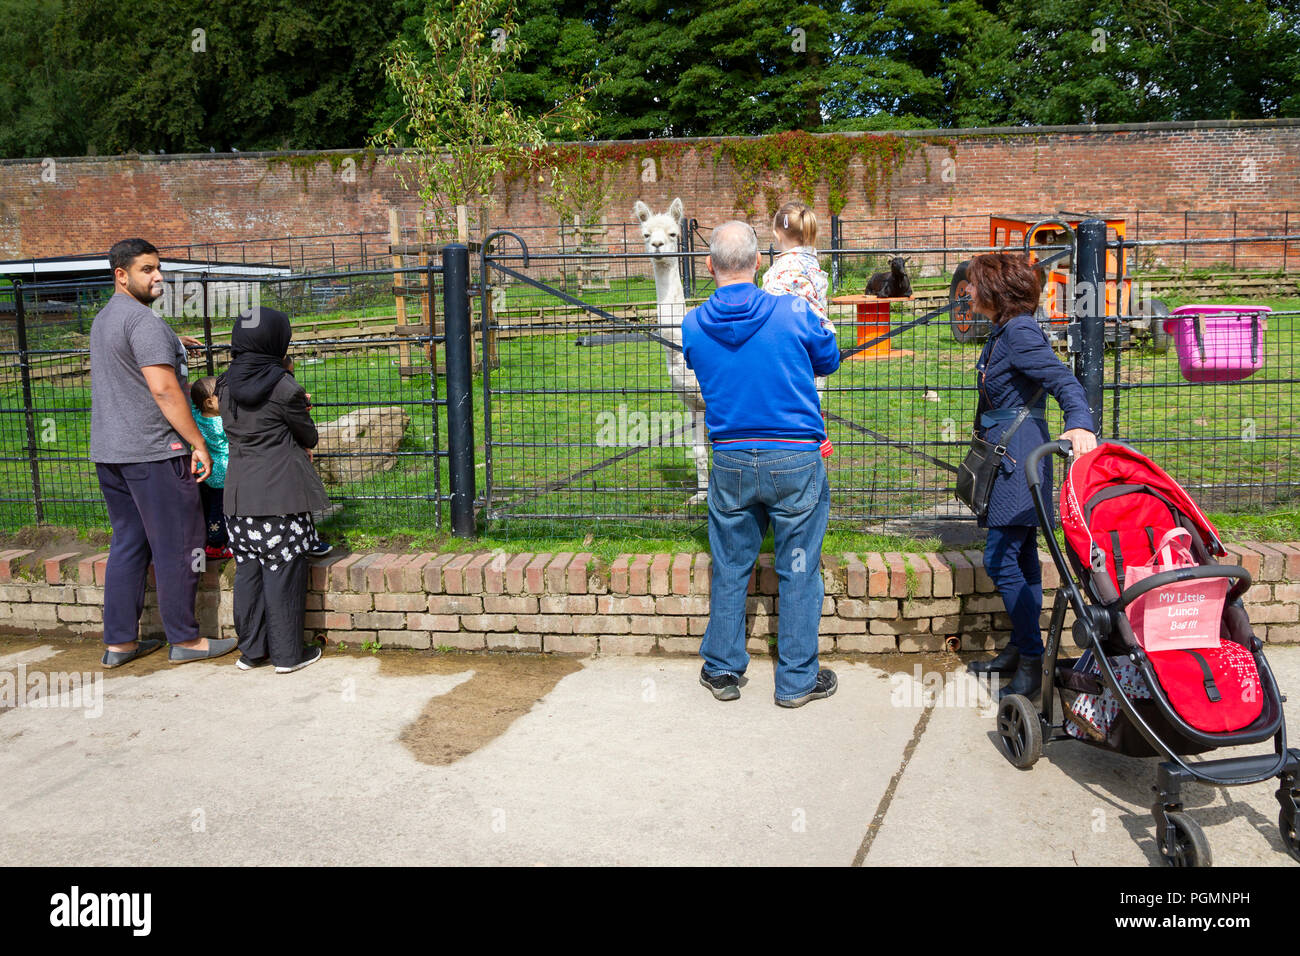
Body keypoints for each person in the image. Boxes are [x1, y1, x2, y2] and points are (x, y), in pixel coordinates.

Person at [682, 220, 841, 707]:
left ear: (708, 266)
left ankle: (723, 669)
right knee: (799, 566)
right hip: (793, 457)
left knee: (730, 564)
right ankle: (795, 680)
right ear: (758, 263)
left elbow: (701, 362)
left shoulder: (692, 323)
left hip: (730, 457)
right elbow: (829, 358)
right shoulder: (792, 310)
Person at [90, 238, 237, 666]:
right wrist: (198, 442)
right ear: (122, 275)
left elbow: (133, 357)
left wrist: (172, 341)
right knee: (179, 545)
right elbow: (164, 389)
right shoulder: (145, 323)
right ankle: (186, 640)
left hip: (110, 453)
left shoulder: (106, 319)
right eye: (147, 269)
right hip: (154, 453)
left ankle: (119, 644)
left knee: (129, 543)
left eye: (159, 268)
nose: (159, 276)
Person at [961, 253, 1097, 698]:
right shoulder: (1004, 329)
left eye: (975, 284)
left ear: (996, 290)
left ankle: (1033, 659)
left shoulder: (1018, 332)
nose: (968, 291)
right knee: (1020, 555)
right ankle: (1022, 649)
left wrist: (1080, 422)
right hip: (1007, 452)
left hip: (1018, 460)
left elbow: (1064, 380)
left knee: (1002, 558)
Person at [218, 307, 329, 673]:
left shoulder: (224, 385)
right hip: (280, 497)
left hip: (237, 498)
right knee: (283, 573)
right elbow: (308, 435)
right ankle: (288, 656)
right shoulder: (285, 386)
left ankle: (252, 653)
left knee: (248, 572)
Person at [761, 201, 835, 455]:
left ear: (776, 234)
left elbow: (768, 313)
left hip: (783, 349)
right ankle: (814, 439)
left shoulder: (777, 272)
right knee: (809, 400)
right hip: (816, 346)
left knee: (782, 408)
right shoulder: (814, 267)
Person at [189, 376, 233, 560]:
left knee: (207, 507)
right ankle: (216, 545)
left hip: (204, 471)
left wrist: (192, 390)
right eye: (222, 396)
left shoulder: (196, 418)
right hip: (222, 473)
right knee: (220, 509)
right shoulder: (222, 423)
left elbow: (191, 406)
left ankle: (207, 539)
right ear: (209, 402)